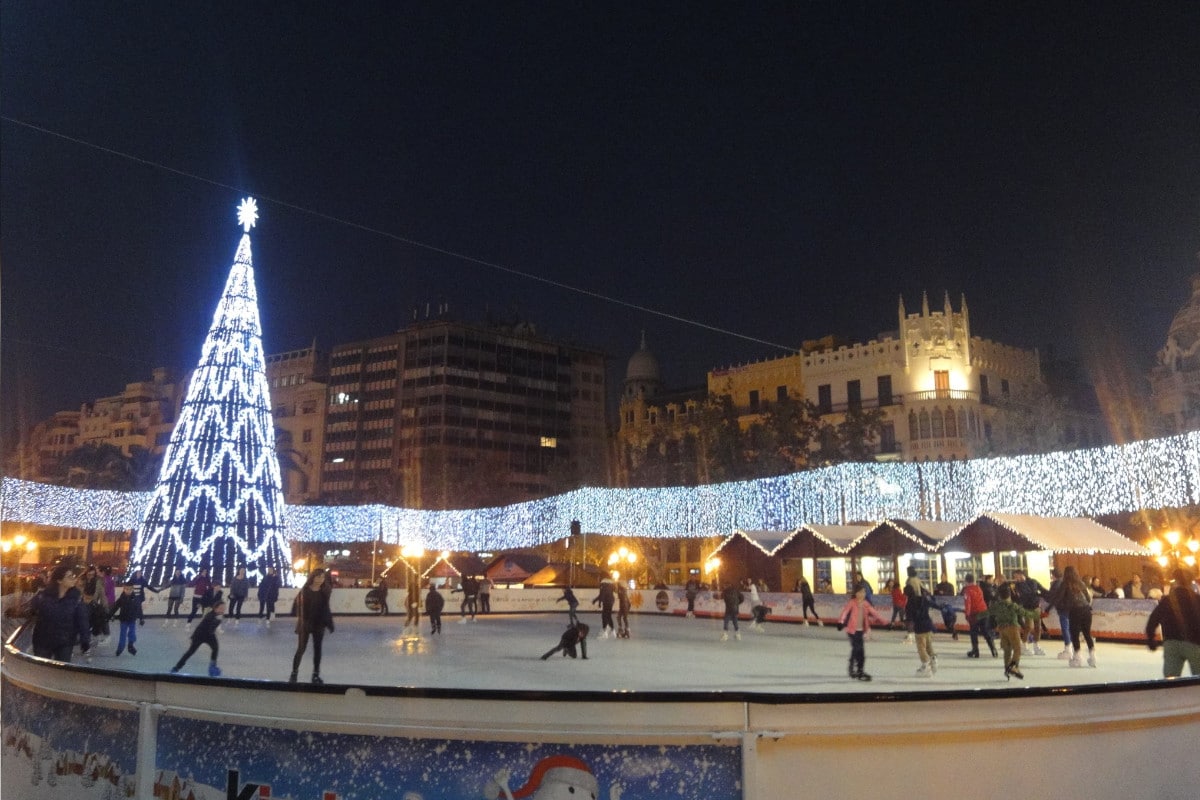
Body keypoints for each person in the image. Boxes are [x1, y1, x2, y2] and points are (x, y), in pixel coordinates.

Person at [29, 565, 92, 662]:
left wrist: (85, 642)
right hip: (43, 640)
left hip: (65, 642)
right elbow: (30, 610)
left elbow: (82, 620)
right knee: (41, 670)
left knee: (61, 671)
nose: (73, 579)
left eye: (73, 576)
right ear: (59, 580)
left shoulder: (76, 598)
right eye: (69, 576)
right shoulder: (43, 596)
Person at [1145, 569, 1200, 678]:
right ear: (1190, 581)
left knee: (1171, 679)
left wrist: (1151, 639)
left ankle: (1171, 694)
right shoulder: (1197, 599)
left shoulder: (1167, 600)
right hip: (1194, 643)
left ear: (1176, 581)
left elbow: (1153, 620)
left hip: (1171, 643)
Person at [291, 568, 335, 684]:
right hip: (306, 624)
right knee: (301, 648)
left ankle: (315, 675)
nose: (320, 579)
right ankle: (294, 673)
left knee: (317, 650)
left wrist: (329, 623)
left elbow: (326, 608)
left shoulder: (325, 591)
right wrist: (302, 618)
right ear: (312, 577)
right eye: (318, 577)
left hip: (319, 624)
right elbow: (296, 606)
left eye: (322, 577)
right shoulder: (305, 591)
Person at [836, 583, 887, 681]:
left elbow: (875, 614)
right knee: (857, 649)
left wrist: (885, 623)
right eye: (860, 592)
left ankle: (859, 670)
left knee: (861, 652)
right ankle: (853, 667)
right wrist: (840, 622)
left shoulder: (866, 604)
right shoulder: (852, 602)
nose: (862, 594)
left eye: (864, 592)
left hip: (861, 631)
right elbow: (845, 612)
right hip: (852, 631)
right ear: (855, 593)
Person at [171, 599, 224, 677]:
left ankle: (212, 666)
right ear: (215, 608)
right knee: (190, 652)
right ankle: (176, 668)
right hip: (200, 635)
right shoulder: (210, 616)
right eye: (221, 608)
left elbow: (212, 629)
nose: (223, 610)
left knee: (215, 648)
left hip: (210, 635)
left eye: (224, 608)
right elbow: (203, 627)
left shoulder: (219, 615)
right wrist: (193, 637)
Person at [988, 585, 1031, 680]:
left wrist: (994, 626)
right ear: (1009, 594)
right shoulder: (1013, 605)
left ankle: (1007, 669)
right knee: (1017, 649)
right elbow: (1022, 615)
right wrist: (1025, 626)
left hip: (1002, 629)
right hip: (1013, 628)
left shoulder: (997, 606)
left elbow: (991, 616)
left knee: (1007, 651)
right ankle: (1012, 667)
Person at [1010, 570, 1047, 655]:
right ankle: (1024, 644)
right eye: (1015, 577)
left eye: (1016, 576)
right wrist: (1037, 594)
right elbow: (1026, 594)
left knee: (1038, 627)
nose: (1016, 579)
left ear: (1021, 575)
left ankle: (1036, 645)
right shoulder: (1017, 585)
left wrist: (1045, 595)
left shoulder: (1033, 581)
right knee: (1029, 626)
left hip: (1036, 606)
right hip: (1027, 608)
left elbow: (1042, 589)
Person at [906, 578, 938, 676]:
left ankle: (926, 664)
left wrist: (909, 629)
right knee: (929, 645)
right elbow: (933, 603)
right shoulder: (923, 598)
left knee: (921, 648)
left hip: (919, 628)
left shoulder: (909, 603)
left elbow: (910, 618)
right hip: (928, 625)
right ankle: (933, 659)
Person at [962, 573, 997, 658]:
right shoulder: (978, 588)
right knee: (985, 631)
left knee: (974, 632)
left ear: (966, 581)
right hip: (983, 611)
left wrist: (967, 614)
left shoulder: (967, 590)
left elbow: (968, 603)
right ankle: (993, 649)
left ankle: (975, 650)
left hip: (974, 614)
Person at [108, 581, 145, 656]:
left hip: (132, 619)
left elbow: (139, 609)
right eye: (126, 589)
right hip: (123, 620)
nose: (128, 591)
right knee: (123, 635)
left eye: (130, 589)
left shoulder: (136, 599)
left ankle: (130, 645)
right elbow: (115, 607)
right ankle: (120, 649)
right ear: (124, 589)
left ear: (132, 589)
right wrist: (109, 615)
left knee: (132, 633)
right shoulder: (121, 598)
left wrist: (141, 618)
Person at [1046, 568, 1073, 660]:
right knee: (1069, 628)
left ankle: (1068, 648)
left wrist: (1048, 608)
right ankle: (1071, 648)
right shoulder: (1070, 583)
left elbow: (1054, 597)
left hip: (1063, 608)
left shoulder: (1057, 584)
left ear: (1054, 575)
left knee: (1065, 628)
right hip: (1071, 608)